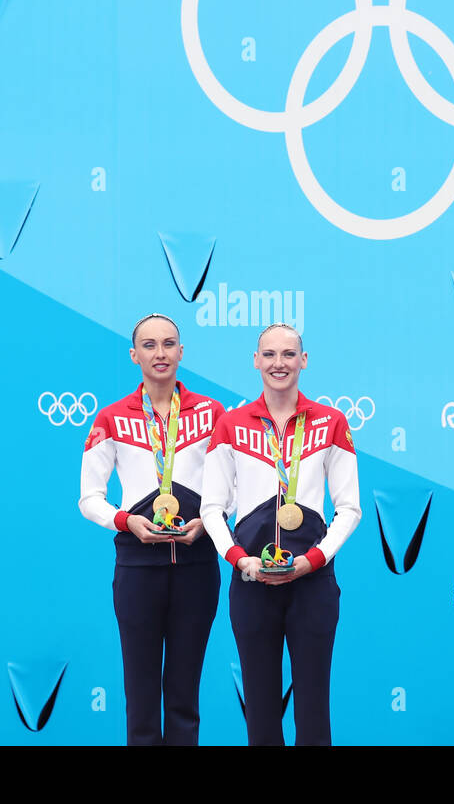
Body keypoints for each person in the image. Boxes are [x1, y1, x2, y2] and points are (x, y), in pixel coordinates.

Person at [200, 323, 360, 746]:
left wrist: (314, 559)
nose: (279, 363)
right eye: (269, 354)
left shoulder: (331, 422)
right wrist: (239, 558)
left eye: (288, 354)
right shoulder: (231, 424)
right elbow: (212, 508)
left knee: (313, 709)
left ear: (303, 361)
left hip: (313, 584)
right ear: (256, 361)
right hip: (251, 582)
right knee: (261, 710)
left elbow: (349, 509)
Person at [79, 313, 225, 745]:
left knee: (184, 696)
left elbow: (232, 487)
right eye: (149, 345)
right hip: (138, 568)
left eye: (168, 344)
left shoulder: (212, 413)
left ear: (182, 352)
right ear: (134, 354)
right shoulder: (112, 417)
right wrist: (126, 521)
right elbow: (89, 498)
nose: (159, 353)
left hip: (197, 566)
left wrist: (209, 521)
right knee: (140, 696)